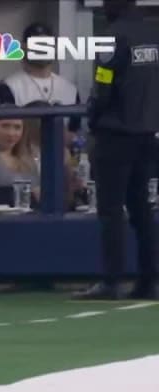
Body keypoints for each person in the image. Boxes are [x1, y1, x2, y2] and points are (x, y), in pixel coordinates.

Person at [76, 0, 159, 301]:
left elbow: (104, 83)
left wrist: (93, 115)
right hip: (148, 133)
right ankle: (150, 281)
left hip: (115, 133)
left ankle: (111, 281)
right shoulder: (153, 33)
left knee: (111, 211)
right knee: (142, 211)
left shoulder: (113, 35)